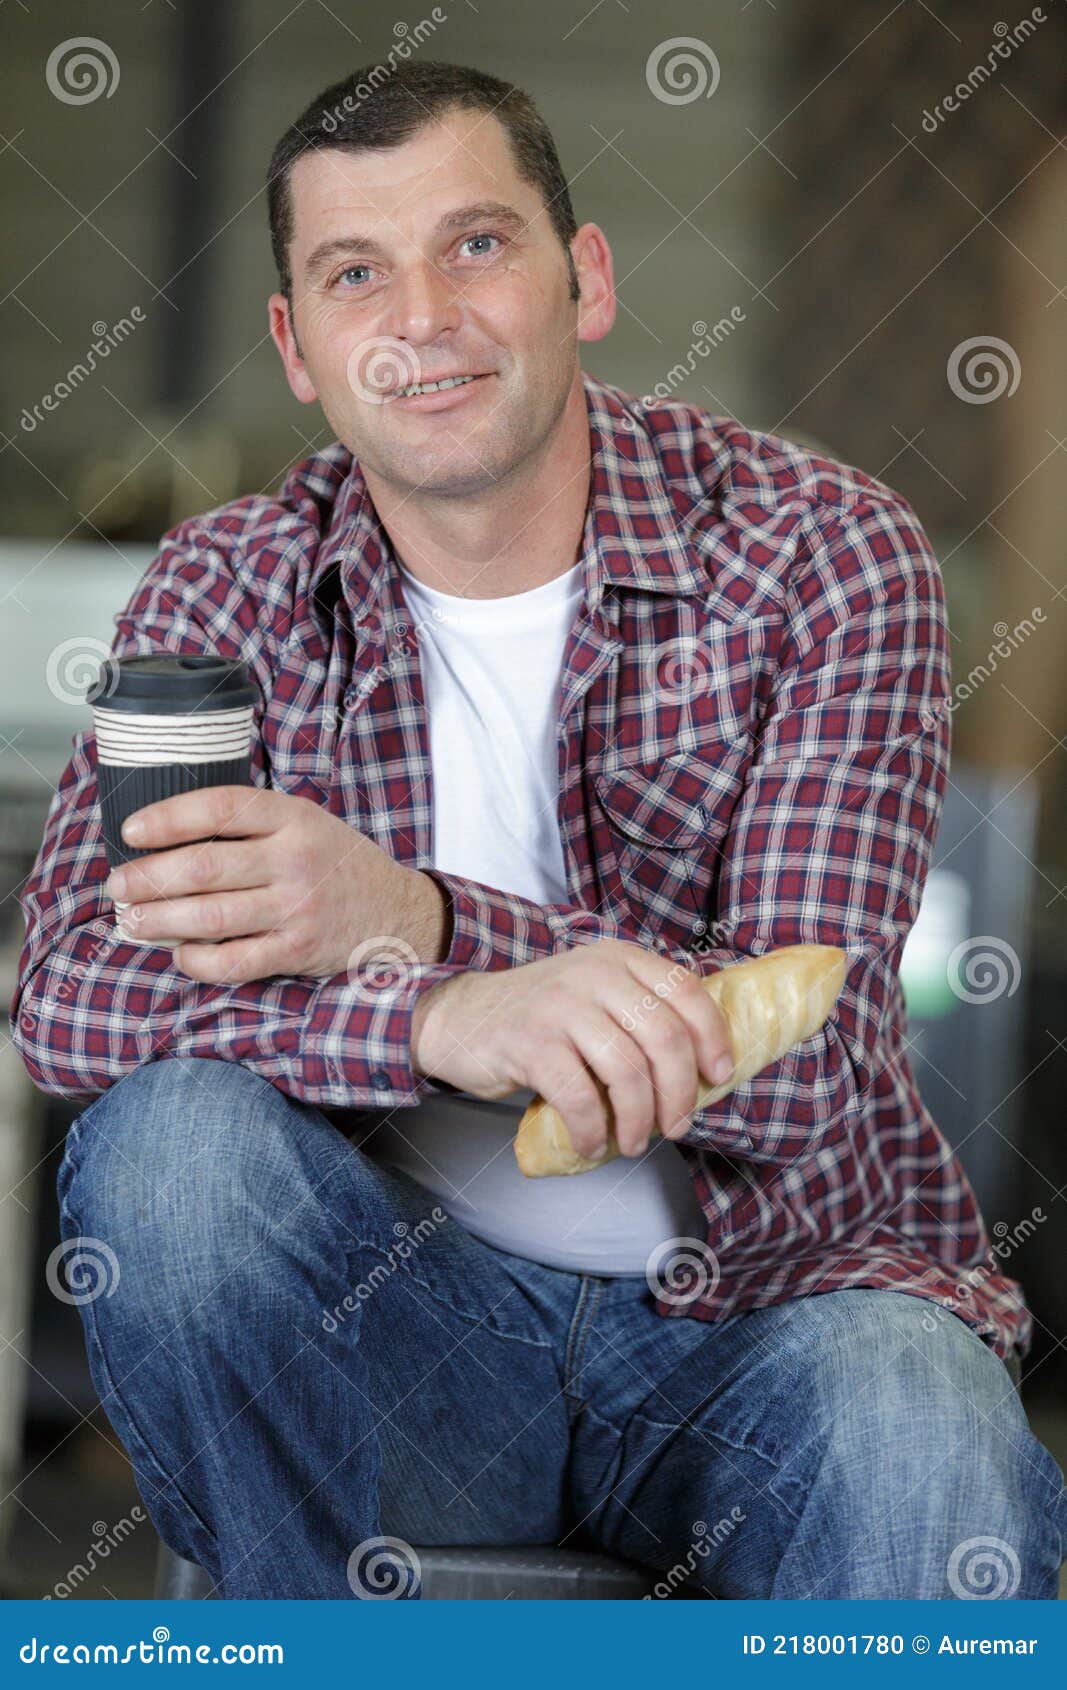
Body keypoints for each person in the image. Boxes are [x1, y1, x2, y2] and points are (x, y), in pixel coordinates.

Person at [12, 60, 1065, 1600]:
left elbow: (803, 1050)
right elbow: (72, 996)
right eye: (355, 273)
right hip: (417, 1342)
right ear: (299, 347)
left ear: (585, 278)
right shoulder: (225, 588)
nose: (422, 316)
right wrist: (440, 1011)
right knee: (171, 1160)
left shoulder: (824, 553)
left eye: (477, 246)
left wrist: (420, 919)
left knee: (926, 1438)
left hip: (775, 1324)